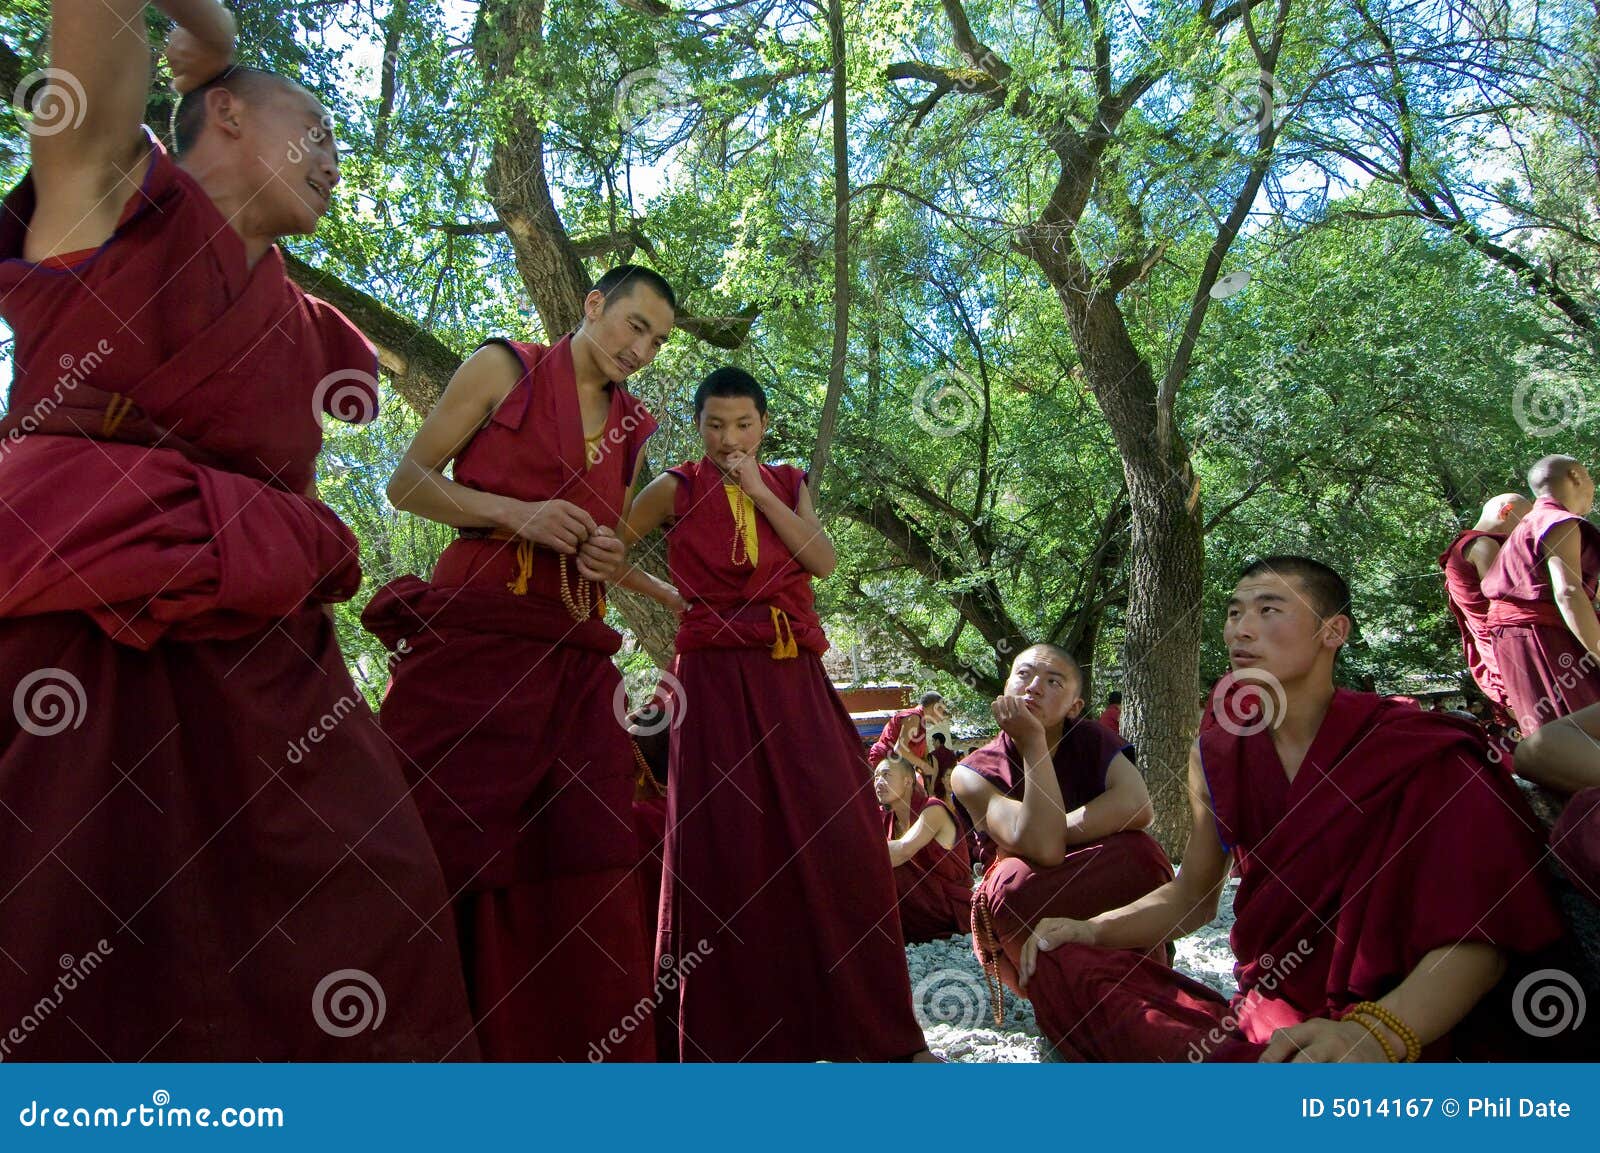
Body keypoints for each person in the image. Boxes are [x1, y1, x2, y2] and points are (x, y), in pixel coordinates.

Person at [0, 3, 475, 1058]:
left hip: (268, 672)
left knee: (376, 899)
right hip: (82, 634)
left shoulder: (311, 332)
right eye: (317, 131)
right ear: (220, 116)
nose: (337, 165)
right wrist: (207, 29)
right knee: (73, 935)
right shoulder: (110, 203)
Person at [1014, 557, 1567, 1061]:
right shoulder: (1218, 751)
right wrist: (1090, 931)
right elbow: (1193, 896)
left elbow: (1482, 931)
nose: (1241, 629)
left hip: (1403, 1013)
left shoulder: (1420, 750)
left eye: (1268, 609)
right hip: (1275, 1012)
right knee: (1060, 961)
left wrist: (1376, 1034)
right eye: (1234, 613)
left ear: (1334, 632)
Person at [360, 265, 676, 1060]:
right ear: (593, 303)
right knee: (425, 836)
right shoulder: (506, 366)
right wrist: (516, 512)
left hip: (574, 650)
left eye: (658, 341)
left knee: (582, 846)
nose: (641, 349)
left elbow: (603, 532)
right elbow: (407, 483)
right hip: (477, 632)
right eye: (633, 325)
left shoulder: (636, 425)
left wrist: (605, 551)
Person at [623, 366, 929, 1061]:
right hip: (711, 679)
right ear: (696, 427)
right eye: (714, 425)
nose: (730, 438)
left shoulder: (789, 482)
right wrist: (670, 597)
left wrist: (758, 489)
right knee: (724, 843)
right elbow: (605, 543)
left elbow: (819, 559)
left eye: (743, 424)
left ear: (763, 425)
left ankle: (873, 1030)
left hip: (790, 669)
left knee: (841, 829)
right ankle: (727, 1043)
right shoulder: (675, 486)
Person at [951, 646, 1171, 1020]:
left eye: (1053, 682)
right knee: (1011, 882)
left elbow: (1138, 806)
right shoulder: (972, 772)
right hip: (1031, 900)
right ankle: (1059, 999)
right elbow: (1046, 852)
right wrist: (1033, 743)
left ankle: (1146, 985)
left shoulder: (1092, 740)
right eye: (1023, 675)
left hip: (1098, 887)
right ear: (1005, 688)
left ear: (1074, 706)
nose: (1034, 687)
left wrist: (1053, 831)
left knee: (1142, 854)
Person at [1482, 456, 1600, 735]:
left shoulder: (1531, 523)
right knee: (1579, 727)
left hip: (1517, 638)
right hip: (1543, 637)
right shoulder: (1557, 520)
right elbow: (1568, 592)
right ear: (1575, 475)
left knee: (1552, 728)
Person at [1439, 493, 1530, 725]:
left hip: (1493, 651)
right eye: (1525, 522)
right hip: (1511, 650)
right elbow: (1510, 603)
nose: (1525, 532)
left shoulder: (1462, 549)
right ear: (1506, 511)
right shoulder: (1483, 545)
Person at [875, 756, 971, 943]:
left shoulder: (933, 809)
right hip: (917, 911)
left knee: (890, 864)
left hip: (949, 911)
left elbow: (902, 850)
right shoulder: (887, 819)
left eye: (886, 775)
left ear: (908, 780)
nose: (879, 782)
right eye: (876, 776)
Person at [868, 690, 948, 781]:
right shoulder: (913, 717)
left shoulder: (921, 722)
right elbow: (900, 748)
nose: (942, 717)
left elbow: (922, 752)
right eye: (942, 711)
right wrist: (925, 766)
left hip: (897, 767)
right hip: (885, 764)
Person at [927, 731, 959, 806]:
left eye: (933, 741)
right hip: (951, 784)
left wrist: (931, 787)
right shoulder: (951, 754)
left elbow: (934, 771)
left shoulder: (933, 755)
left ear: (937, 741)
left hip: (938, 786)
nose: (933, 744)